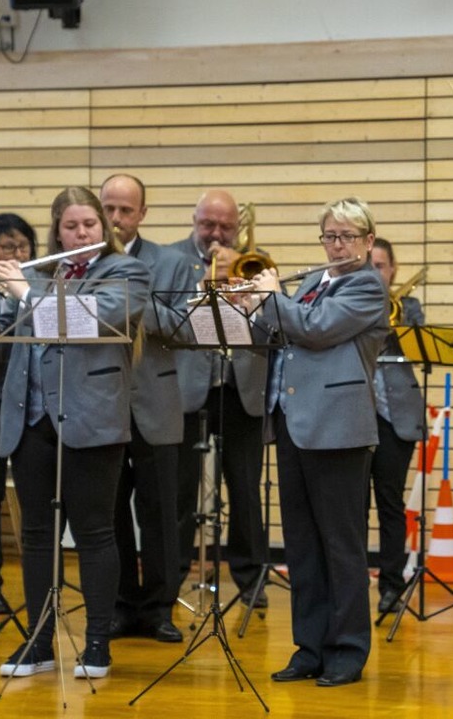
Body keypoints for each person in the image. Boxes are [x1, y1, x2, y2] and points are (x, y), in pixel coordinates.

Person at [0, 186, 150, 680]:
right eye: (70, 226)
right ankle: (39, 642)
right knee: (37, 535)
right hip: (31, 417)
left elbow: (94, 321)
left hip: (92, 417)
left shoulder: (125, 273)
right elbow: (0, 343)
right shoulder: (42, 273)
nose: (80, 233)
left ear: (103, 229)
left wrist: (23, 291)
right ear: (57, 229)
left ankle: (98, 643)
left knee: (94, 532)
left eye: (89, 225)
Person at [246, 197, 389, 687]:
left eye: (348, 236)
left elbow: (316, 329)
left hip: (339, 429)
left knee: (341, 546)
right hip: (293, 422)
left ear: (369, 241)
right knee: (302, 546)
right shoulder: (310, 283)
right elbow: (279, 332)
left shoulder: (369, 286)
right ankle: (309, 647)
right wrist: (249, 306)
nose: (337, 244)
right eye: (330, 235)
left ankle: (347, 650)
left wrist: (270, 299)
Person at [99, 173, 197, 643]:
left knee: (161, 511)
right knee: (111, 509)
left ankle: (160, 608)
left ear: (142, 214)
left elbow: (185, 328)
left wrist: (135, 304)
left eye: (125, 210)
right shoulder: (86, 261)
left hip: (156, 400)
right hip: (104, 402)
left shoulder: (172, 262)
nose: (116, 219)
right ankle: (119, 606)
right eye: (109, 209)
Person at [170, 189, 269, 606]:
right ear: (193, 220)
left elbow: (269, 325)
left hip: (239, 387)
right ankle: (170, 577)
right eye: (208, 224)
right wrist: (202, 286)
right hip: (188, 388)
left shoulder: (256, 262)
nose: (216, 234)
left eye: (225, 227)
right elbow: (165, 321)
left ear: (238, 227)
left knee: (245, 489)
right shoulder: (171, 259)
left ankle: (252, 580)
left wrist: (244, 287)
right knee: (178, 490)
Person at [0, 213, 39, 614]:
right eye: (7, 247)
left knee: (35, 493)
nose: (17, 254)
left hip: (30, 398)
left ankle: (40, 586)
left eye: (22, 246)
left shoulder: (38, 280)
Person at [368, 237, 425, 614]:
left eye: (380, 266)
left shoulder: (409, 306)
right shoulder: (345, 302)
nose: (374, 272)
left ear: (393, 271)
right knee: (351, 506)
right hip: (353, 416)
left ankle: (391, 583)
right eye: (368, 265)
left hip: (395, 418)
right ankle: (351, 581)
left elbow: (418, 350)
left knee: (390, 503)